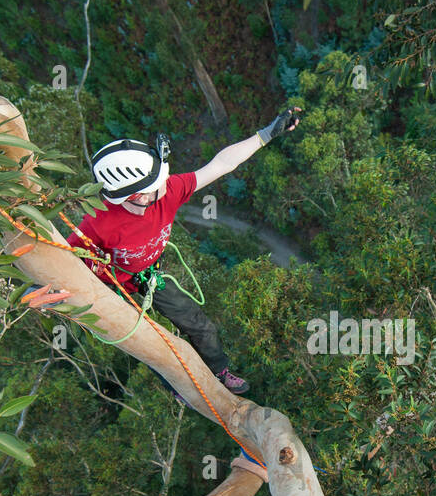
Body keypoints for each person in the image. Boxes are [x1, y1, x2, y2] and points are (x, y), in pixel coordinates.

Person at [67, 107, 302, 399]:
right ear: (135, 196)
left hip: (148, 274)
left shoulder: (170, 190)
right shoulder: (99, 221)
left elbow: (221, 165)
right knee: (147, 341)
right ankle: (178, 387)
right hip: (111, 284)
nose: (166, 186)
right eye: (156, 186)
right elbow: (62, 260)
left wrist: (267, 134)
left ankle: (219, 371)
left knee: (200, 325)